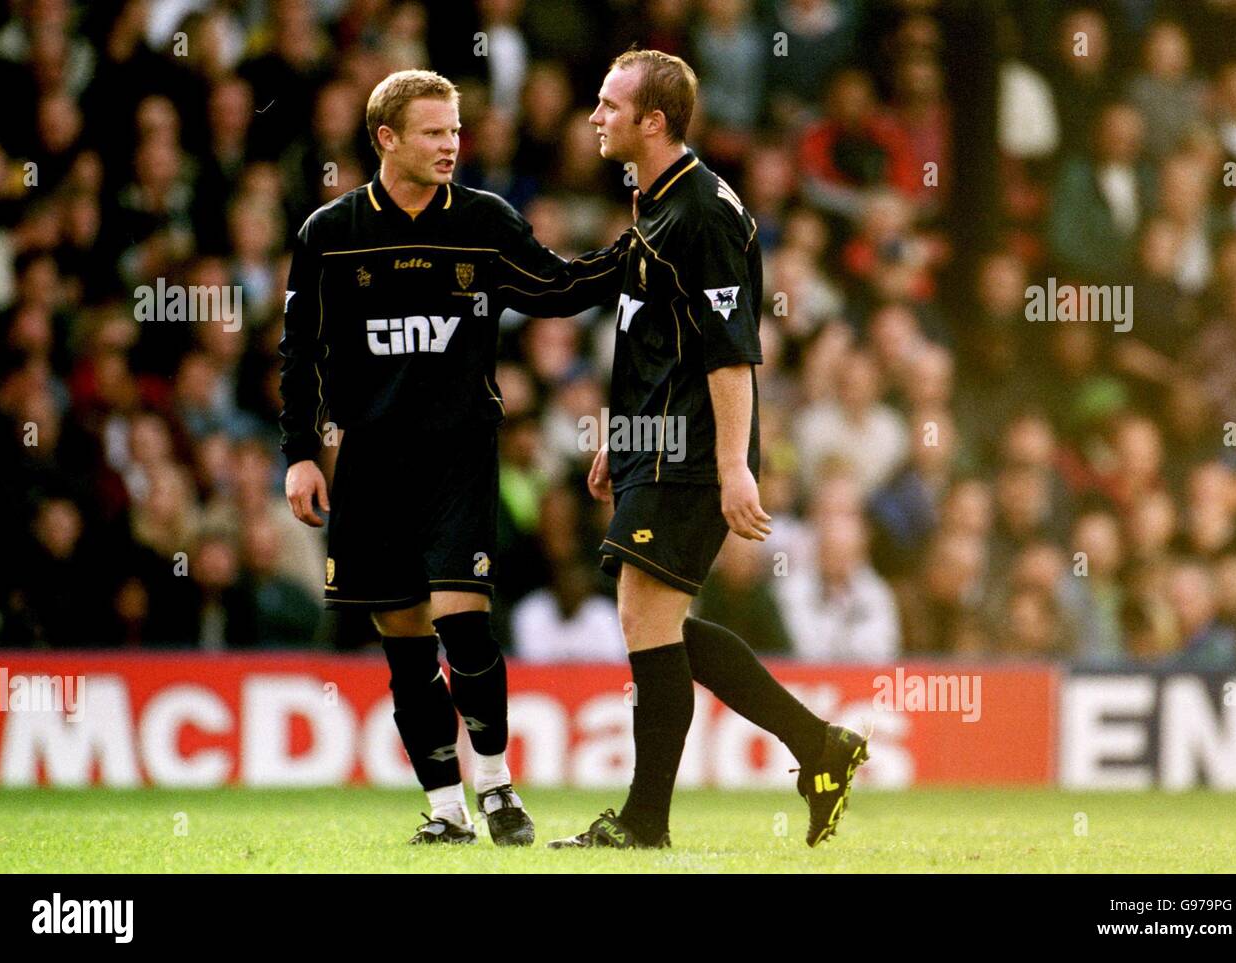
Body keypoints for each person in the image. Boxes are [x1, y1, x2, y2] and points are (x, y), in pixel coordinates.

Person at [280, 69, 629, 846]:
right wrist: (301, 453)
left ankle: (499, 786)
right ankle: (446, 807)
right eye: (434, 132)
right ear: (386, 139)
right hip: (368, 462)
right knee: (405, 643)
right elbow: (298, 352)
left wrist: (638, 251)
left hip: (459, 454)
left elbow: (559, 288)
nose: (451, 145)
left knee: (464, 624)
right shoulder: (330, 234)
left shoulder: (483, 220)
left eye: (456, 130)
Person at [549, 50, 868, 851]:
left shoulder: (704, 213)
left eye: (609, 105)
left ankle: (644, 821)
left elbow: (733, 352)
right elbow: (652, 336)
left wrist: (734, 465)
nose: (595, 117)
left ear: (653, 122)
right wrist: (619, 435)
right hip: (654, 443)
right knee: (653, 621)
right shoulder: (653, 201)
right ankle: (817, 746)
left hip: (692, 452)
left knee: (645, 617)